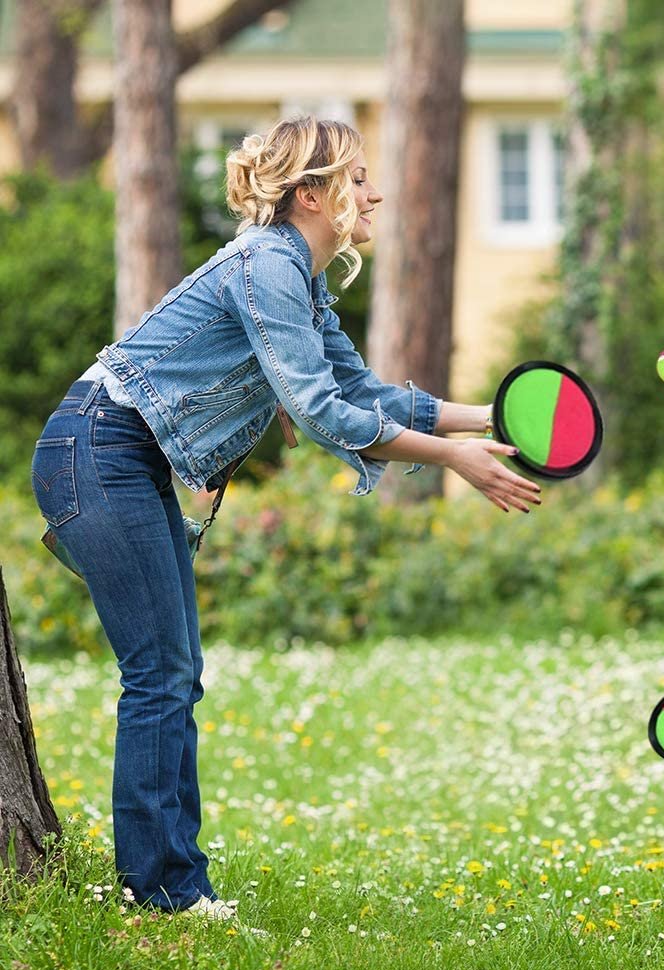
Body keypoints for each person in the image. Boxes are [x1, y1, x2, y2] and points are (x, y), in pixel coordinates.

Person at [30, 116, 541, 918]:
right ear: (312, 192)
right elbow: (315, 408)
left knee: (173, 675)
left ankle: (165, 881)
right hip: (96, 450)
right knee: (160, 676)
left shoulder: (298, 276)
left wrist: (496, 417)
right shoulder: (269, 263)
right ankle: (163, 892)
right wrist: (450, 459)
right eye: (359, 177)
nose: (374, 192)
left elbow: (361, 390)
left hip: (113, 454)